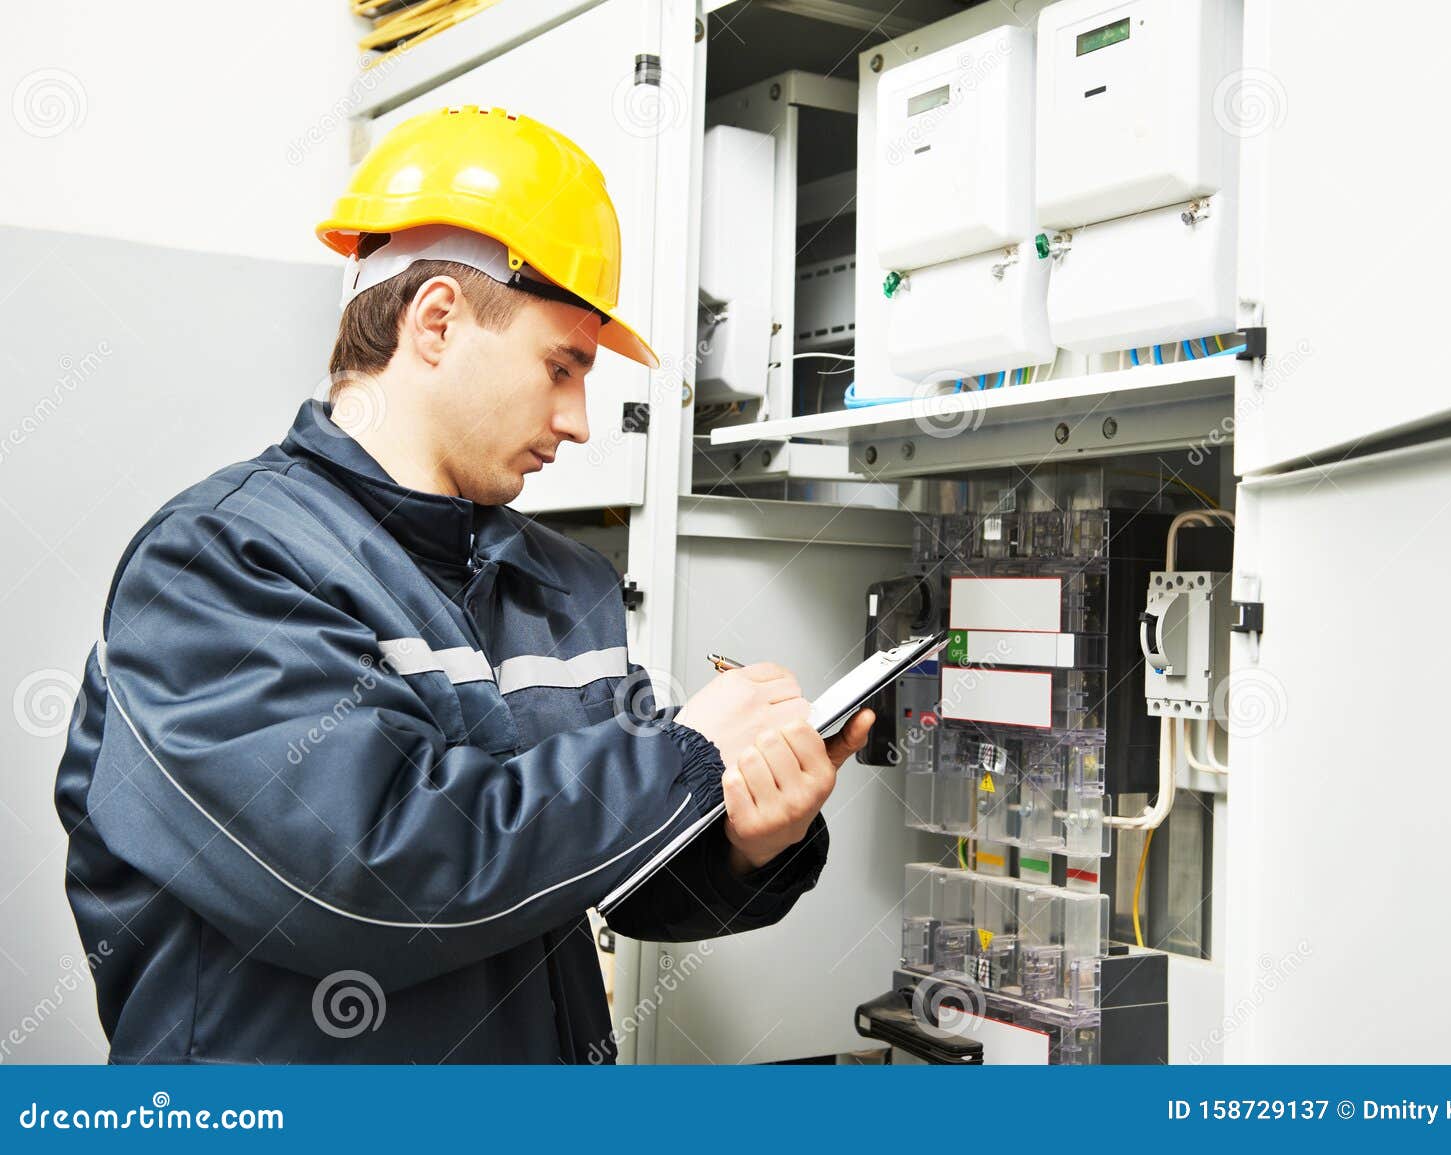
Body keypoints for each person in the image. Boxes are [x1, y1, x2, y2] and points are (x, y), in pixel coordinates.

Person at [53, 105, 870, 1063]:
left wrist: (746, 835)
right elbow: (363, 877)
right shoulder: (221, 562)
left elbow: (594, 864)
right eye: (562, 365)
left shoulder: (559, 583)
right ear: (436, 321)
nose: (580, 421)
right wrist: (681, 759)